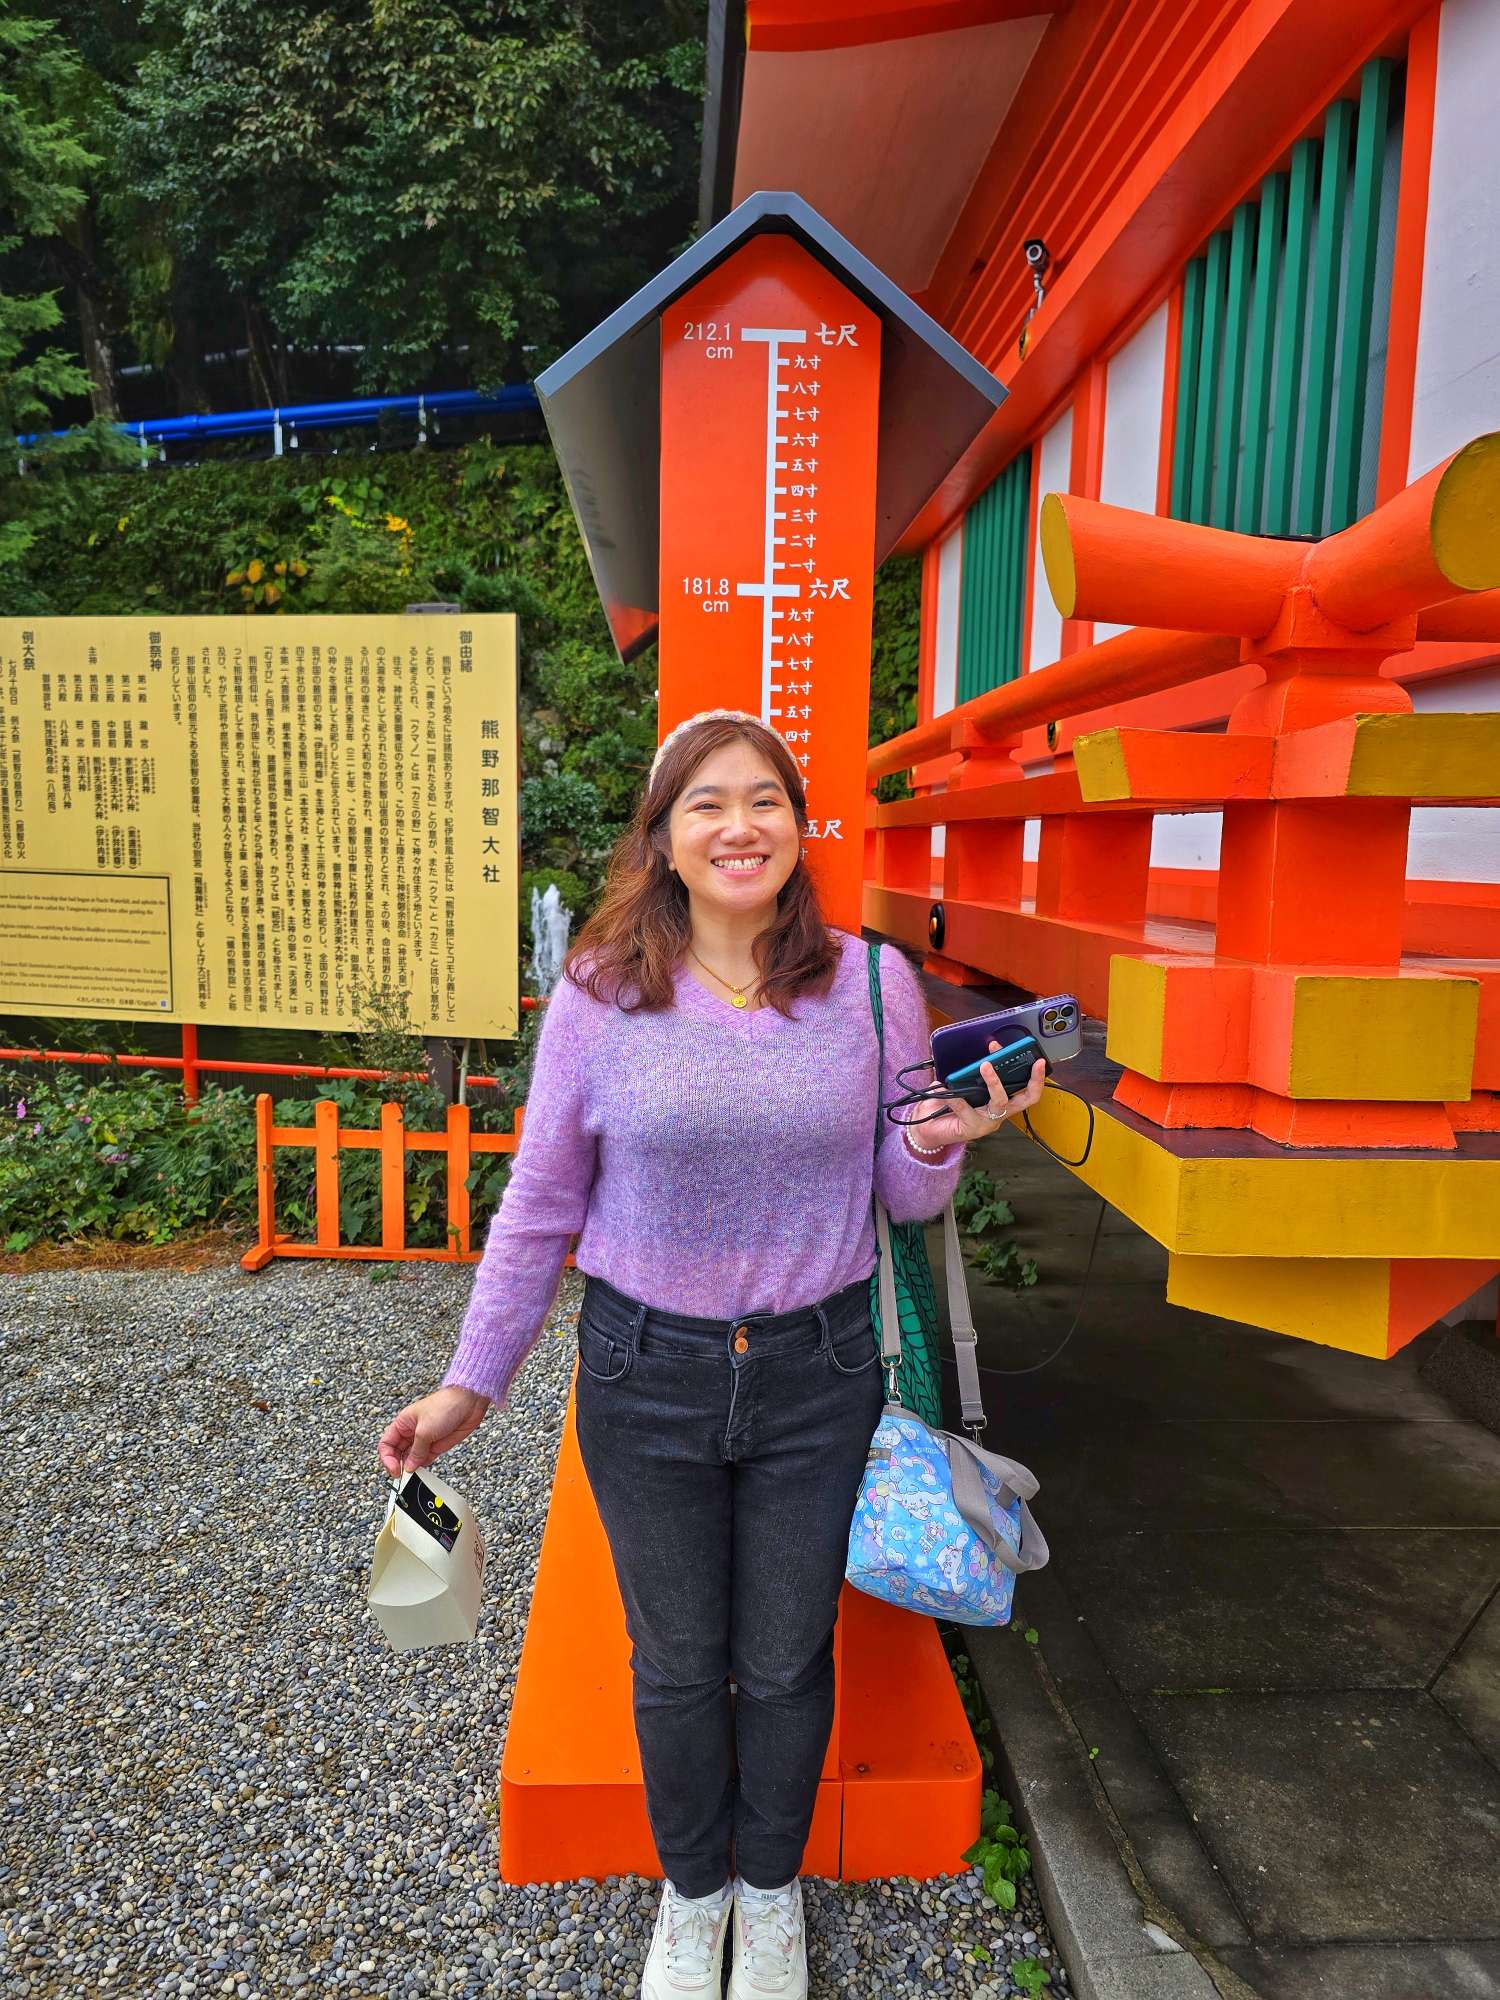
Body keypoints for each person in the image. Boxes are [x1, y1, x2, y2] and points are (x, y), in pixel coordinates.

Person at [378, 709, 1045, 2000]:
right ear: (665, 838)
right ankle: (694, 1900)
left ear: (800, 830)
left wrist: (945, 1135)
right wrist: (472, 1383)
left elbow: (900, 1201)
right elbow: (540, 1207)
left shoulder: (869, 985)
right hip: (647, 1376)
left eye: (765, 802)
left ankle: (771, 1889)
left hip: (818, 1374)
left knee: (791, 1657)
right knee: (679, 1661)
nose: (740, 825)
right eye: (707, 804)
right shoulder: (600, 993)